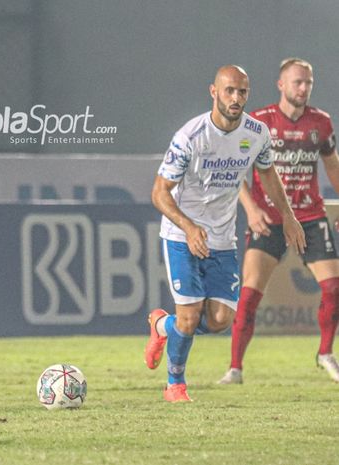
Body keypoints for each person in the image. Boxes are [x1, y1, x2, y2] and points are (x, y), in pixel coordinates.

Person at [145, 65, 306, 402]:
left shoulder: (256, 133)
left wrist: (288, 216)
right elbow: (159, 192)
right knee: (189, 320)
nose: (236, 98)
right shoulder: (190, 137)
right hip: (181, 236)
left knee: (219, 320)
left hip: (221, 239)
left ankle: (162, 327)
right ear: (213, 92)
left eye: (242, 92)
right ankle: (175, 384)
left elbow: (268, 175)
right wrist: (188, 227)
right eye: (230, 90)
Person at [219, 58, 339, 385]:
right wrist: (251, 209)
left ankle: (325, 352)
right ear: (281, 85)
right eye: (298, 82)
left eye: (308, 83)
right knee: (250, 294)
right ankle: (235, 369)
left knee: (333, 286)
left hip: (310, 217)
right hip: (268, 219)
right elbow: (233, 169)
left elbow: (332, 166)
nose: (304, 88)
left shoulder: (322, 123)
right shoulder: (258, 123)